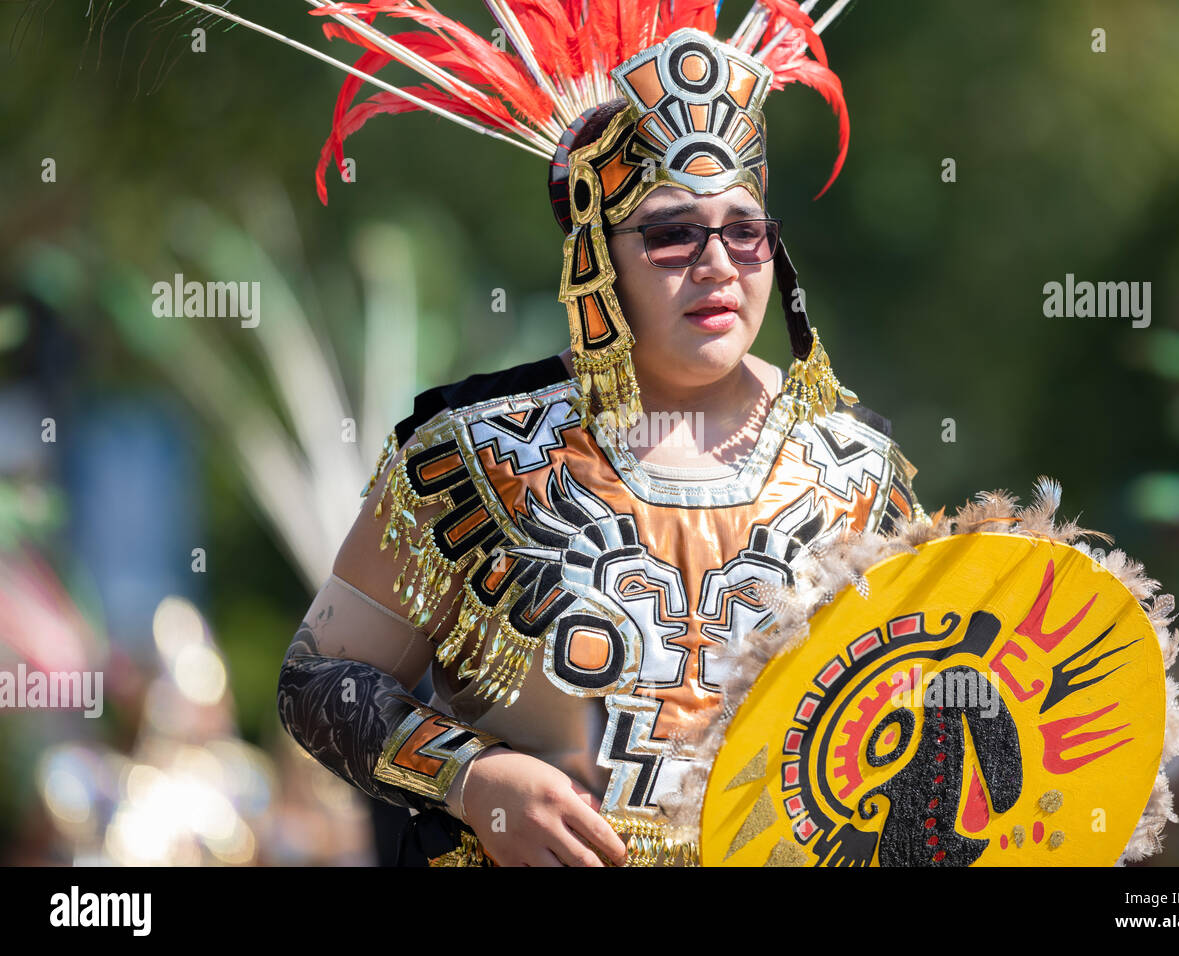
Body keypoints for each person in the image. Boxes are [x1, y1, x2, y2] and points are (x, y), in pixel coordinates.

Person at [239, 2, 931, 866]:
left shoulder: (860, 469)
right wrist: (472, 778)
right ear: (595, 256)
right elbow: (315, 678)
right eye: (675, 234)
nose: (718, 263)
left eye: (744, 230)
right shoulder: (474, 456)